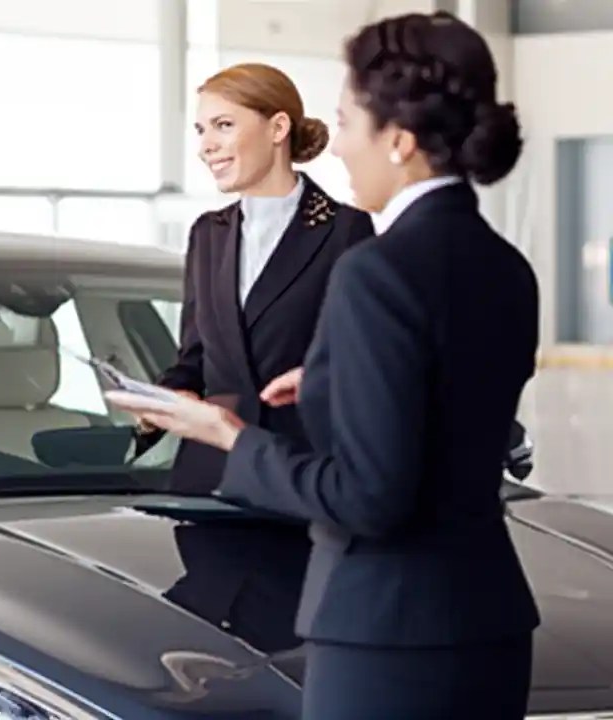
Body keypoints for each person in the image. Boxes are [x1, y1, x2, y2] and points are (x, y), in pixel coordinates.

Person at [108, 11, 539, 719]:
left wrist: (227, 437)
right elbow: (451, 405)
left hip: (385, 631)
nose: (335, 146)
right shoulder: (505, 265)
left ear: (398, 140)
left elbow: (370, 497)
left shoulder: (375, 266)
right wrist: (340, 381)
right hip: (487, 620)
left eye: (346, 123)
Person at [139, 62, 374, 494]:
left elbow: (362, 361)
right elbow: (194, 359)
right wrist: (167, 398)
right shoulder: (208, 233)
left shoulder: (345, 231)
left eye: (223, 126)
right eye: (201, 131)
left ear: (277, 128)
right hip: (209, 481)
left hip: (302, 473)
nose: (207, 146)